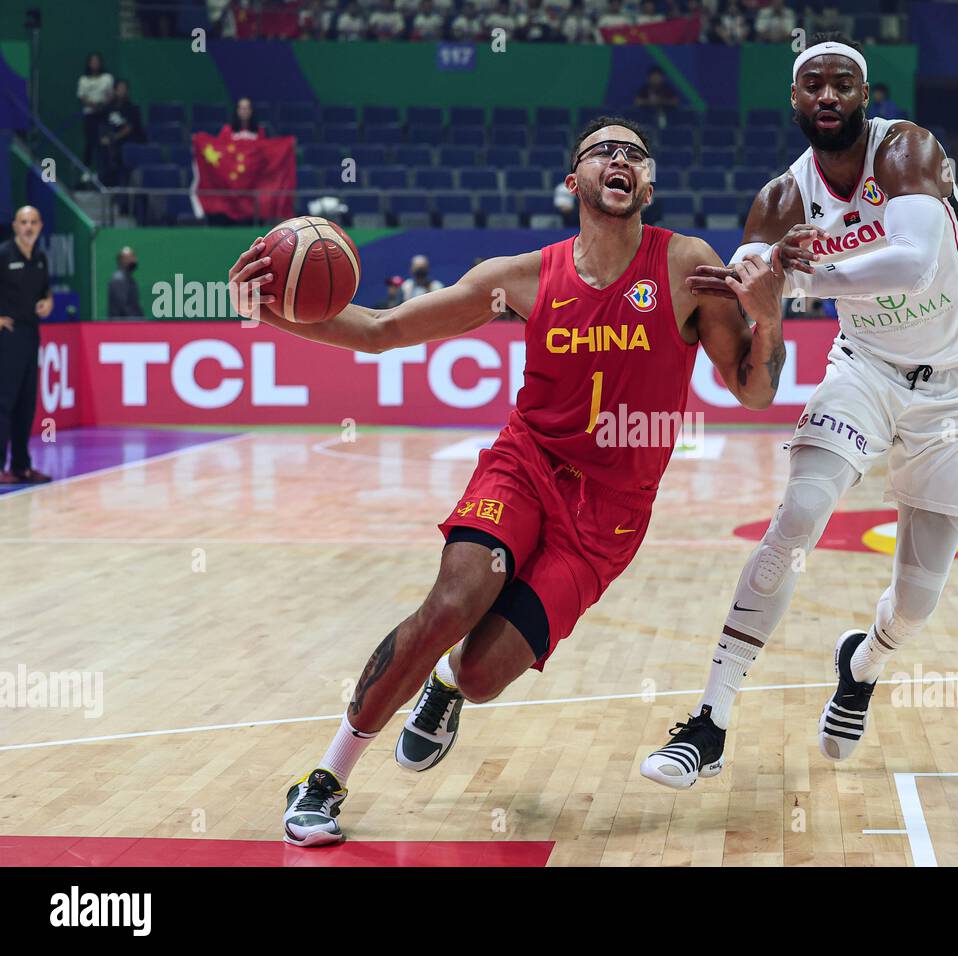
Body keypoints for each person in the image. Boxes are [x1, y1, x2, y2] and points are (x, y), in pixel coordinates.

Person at [228, 117, 787, 846]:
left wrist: (768, 323)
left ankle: (449, 688)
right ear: (573, 182)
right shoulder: (521, 279)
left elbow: (753, 392)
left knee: (485, 673)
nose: (620, 160)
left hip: (609, 513)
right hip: (525, 466)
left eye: (635, 155)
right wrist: (270, 313)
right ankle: (326, 777)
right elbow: (382, 330)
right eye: (602, 151)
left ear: (649, 183)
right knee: (452, 602)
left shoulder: (687, 267)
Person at [641, 35, 958, 786]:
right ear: (796, 100)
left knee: (915, 602)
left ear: (864, 96)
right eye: (813, 85)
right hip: (864, 368)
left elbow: (910, 259)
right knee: (798, 516)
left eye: (842, 84)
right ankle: (708, 722)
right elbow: (753, 277)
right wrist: (755, 282)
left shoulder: (906, 150)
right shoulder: (781, 198)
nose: (828, 96)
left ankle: (862, 663)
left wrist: (799, 277)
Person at [0, 207, 54, 485]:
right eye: (24, 222)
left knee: (26, 404)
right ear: (15, 226)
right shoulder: (4, 254)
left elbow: (45, 291)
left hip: (31, 334)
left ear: (41, 225)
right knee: (4, 402)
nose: (28, 227)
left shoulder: (41, 258)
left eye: (33, 222)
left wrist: (49, 302)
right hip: (6, 336)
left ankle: (21, 466)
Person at [96, 80, 145, 188]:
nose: (122, 91)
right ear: (115, 90)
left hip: (127, 143)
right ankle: (105, 185)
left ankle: (122, 189)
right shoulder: (108, 108)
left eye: (124, 89)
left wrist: (114, 138)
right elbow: (102, 125)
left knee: (122, 155)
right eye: (119, 88)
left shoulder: (132, 108)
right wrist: (105, 138)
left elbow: (129, 128)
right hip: (111, 146)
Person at [76, 53, 114, 175]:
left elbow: (111, 95)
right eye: (92, 61)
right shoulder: (83, 80)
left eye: (97, 61)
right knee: (90, 144)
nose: (95, 63)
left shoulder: (107, 78)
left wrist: (102, 105)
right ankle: (86, 173)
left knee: (103, 144)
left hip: (104, 115)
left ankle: (103, 172)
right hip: (90, 116)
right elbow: (82, 97)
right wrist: (93, 105)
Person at [107, 246, 143, 318]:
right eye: (129, 258)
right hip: (121, 325)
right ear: (121, 261)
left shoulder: (130, 280)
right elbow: (123, 307)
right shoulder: (117, 281)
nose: (134, 260)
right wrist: (137, 321)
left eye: (133, 257)